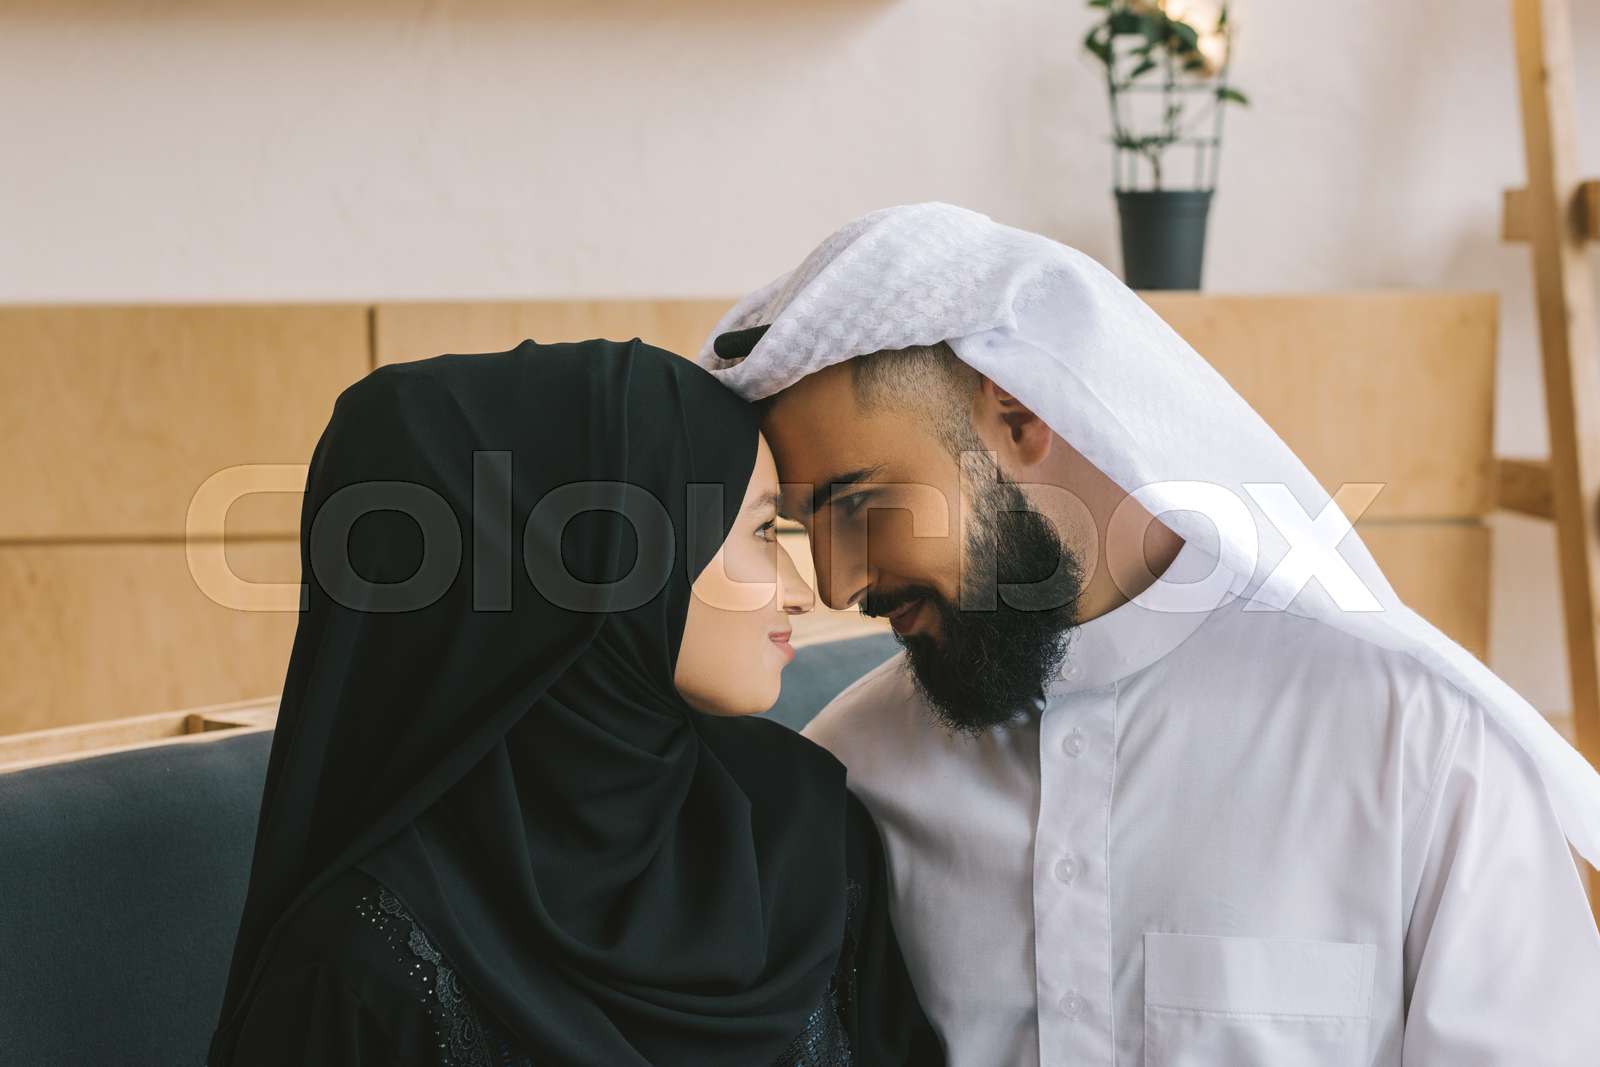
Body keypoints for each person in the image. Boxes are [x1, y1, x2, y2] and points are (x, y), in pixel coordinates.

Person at [698, 202, 1600, 1065]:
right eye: (797, 524)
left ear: (1017, 415)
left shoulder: (1412, 742)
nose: (836, 579)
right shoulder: (844, 779)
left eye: (859, 503)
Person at [206, 339, 942, 1066]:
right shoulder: (361, 964)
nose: (801, 589)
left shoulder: (810, 839)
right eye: (758, 529)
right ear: (605, 560)